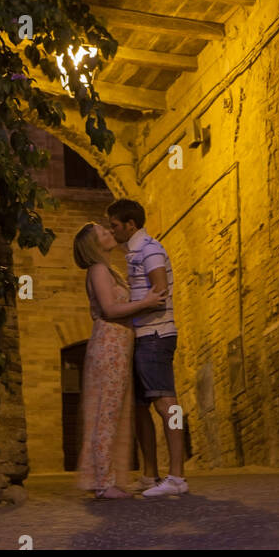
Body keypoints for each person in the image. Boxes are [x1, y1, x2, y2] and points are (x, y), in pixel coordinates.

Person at [72, 221, 166, 500]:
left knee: (112, 412)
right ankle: (104, 482)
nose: (109, 233)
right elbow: (110, 309)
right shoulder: (98, 270)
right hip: (109, 345)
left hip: (118, 345)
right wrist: (147, 303)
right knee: (107, 414)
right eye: (103, 233)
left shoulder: (107, 269)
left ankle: (103, 477)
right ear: (93, 245)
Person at [106, 198, 188, 498]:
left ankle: (177, 476)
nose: (111, 231)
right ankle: (150, 474)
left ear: (131, 224)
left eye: (115, 225)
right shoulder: (133, 252)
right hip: (140, 336)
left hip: (156, 334)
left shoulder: (150, 248)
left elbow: (159, 292)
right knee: (141, 407)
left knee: (166, 403)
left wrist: (126, 309)